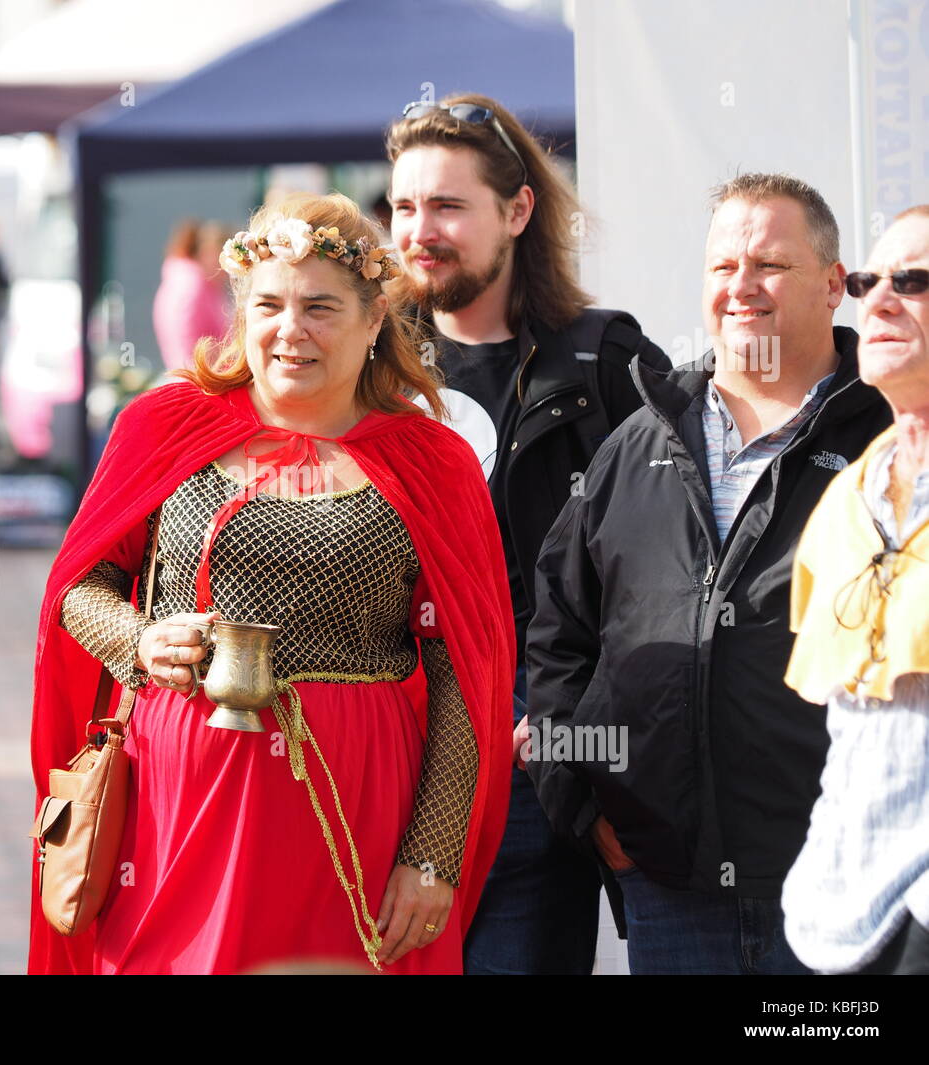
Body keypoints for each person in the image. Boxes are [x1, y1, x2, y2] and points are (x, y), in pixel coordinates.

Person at [28, 192, 515, 975]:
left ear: (373, 319)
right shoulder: (165, 426)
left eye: (320, 307)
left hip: (359, 805)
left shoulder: (434, 462)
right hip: (177, 805)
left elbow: (467, 666)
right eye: (269, 305)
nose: (291, 330)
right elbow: (78, 587)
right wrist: (139, 638)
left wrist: (432, 854)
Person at [526, 173, 893, 975]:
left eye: (770, 264)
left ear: (834, 284)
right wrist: (583, 804)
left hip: (850, 885)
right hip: (670, 888)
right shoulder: (637, 443)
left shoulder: (893, 437)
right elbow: (558, 635)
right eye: (723, 266)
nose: (741, 286)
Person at [385, 92, 670, 974]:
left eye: (447, 205)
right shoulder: (356, 360)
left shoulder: (605, 361)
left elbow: (672, 577)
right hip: (384, 745)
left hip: (530, 765)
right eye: (402, 206)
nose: (418, 230)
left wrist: (601, 763)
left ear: (517, 211)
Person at [782, 205, 929, 975]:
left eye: (915, 281)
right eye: (870, 280)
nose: (877, 299)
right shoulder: (851, 491)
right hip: (835, 913)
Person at [151, 219, 231, 372]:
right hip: (197, 379)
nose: (226, 269)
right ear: (204, 253)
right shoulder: (191, 286)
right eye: (220, 257)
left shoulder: (193, 284)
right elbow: (186, 342)